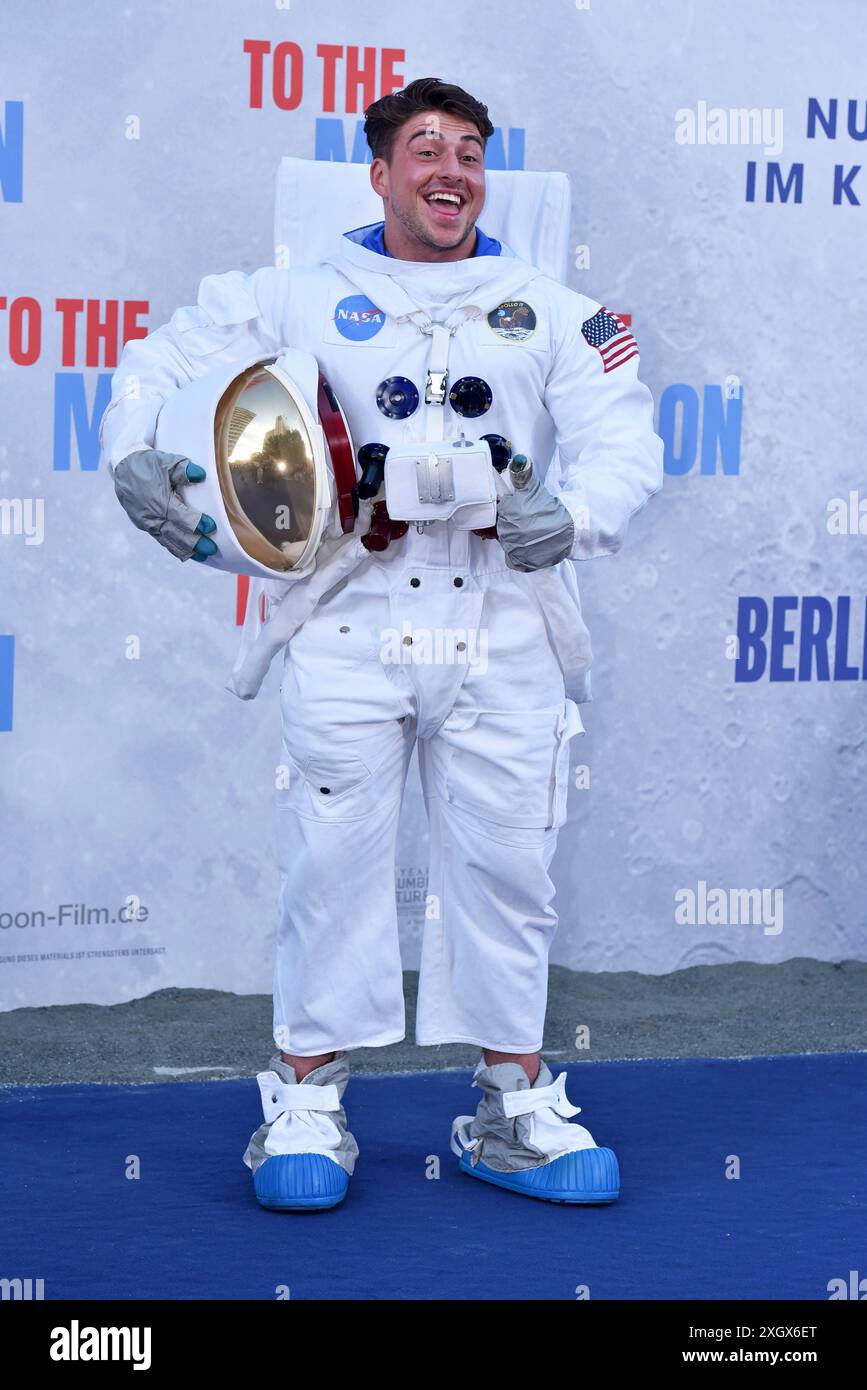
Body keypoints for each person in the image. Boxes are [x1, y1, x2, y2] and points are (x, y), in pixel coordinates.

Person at [100, 77, 663, 1211]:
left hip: (498, 612)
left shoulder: (553, 308)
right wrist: (134, 449)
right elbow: (158, 362)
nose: (450, 169)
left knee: (509, 867)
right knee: (332, 858)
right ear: (378, 172)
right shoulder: (301, 293)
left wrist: (583, 511)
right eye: (424, 149)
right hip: (349, 609)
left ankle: (510, 1102)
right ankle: (306, 1096)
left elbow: (623, 438)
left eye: (469, 151)